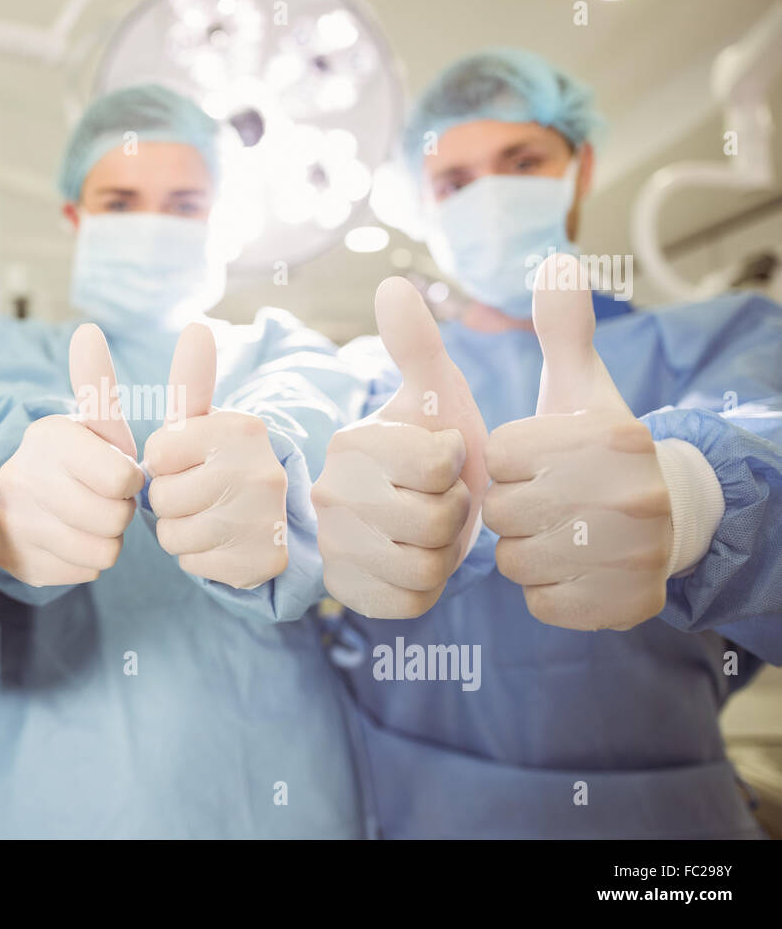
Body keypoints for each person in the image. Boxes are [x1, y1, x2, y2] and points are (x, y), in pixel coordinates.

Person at [313, 47, 782, 838]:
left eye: (520, 160)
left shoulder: (721, 341)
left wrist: (696, 500)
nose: (488, 195)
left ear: (580, 164)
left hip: (661, 834)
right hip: (410, 807)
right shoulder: (371, 381)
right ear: (423, 204)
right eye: (454, 183)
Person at [0, 84, 369, 837]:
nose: (153, 225)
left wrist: (276, 487)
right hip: (42, 793)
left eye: (184, 204)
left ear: (221, 222)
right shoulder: (11, 352)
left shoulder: (276, 349)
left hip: (269, 785)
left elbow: (309, 422)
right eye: (120, 202)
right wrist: (13, 495)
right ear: (75, 217)